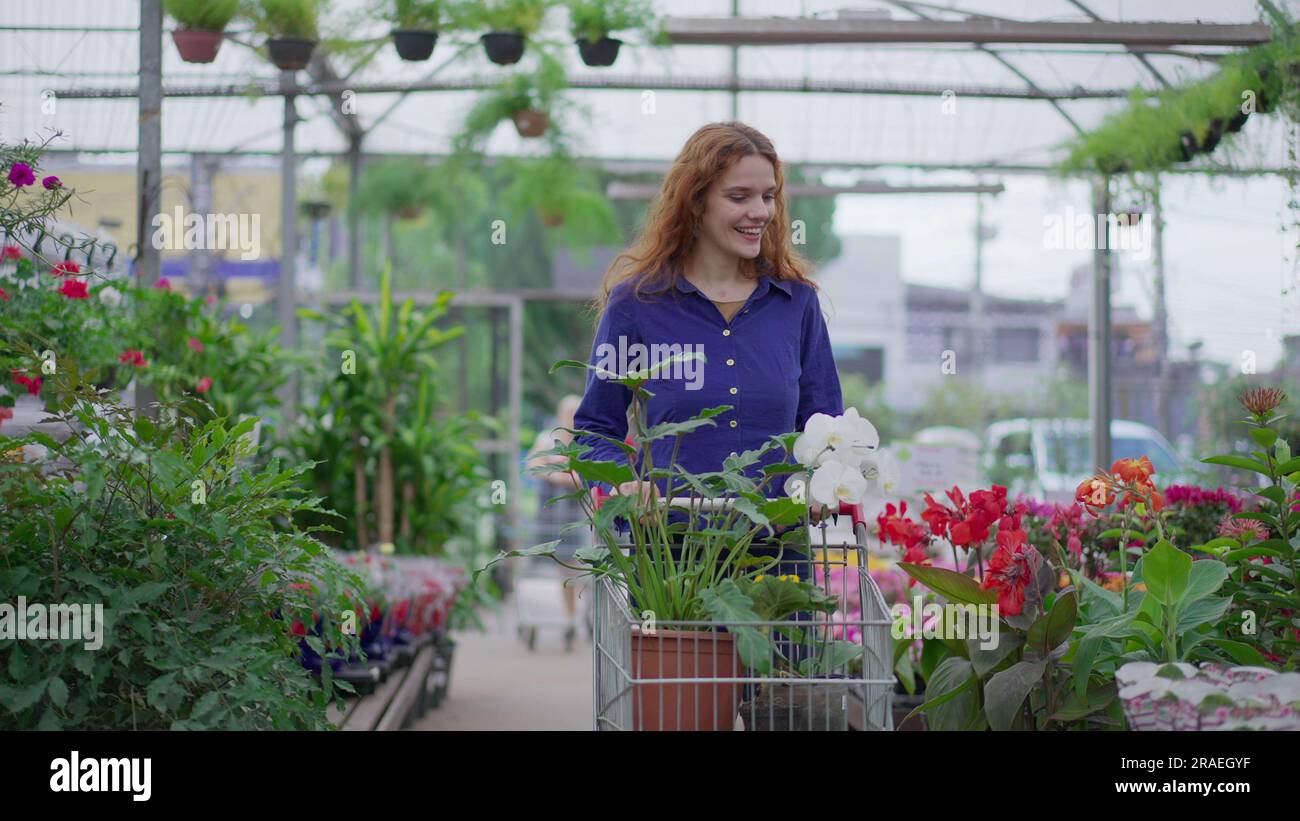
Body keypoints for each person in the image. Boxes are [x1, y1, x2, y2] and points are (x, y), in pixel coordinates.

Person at [573, 121, 843, 531]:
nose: (761, 212)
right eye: (740, 197)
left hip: (775, 556)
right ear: (695, 201)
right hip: (669, 559)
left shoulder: (796, 305)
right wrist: (624, 483)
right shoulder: (637, 305)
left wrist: (821, 481)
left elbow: (825, 427)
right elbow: (594, 431)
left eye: (768, 196)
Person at [525, 394, 589, 645]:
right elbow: (532, 465)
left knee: (574, 566)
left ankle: (576, 616)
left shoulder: (585, 442)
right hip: (552, 514)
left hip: (578, 513)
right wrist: (555, 476)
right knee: (562, 565)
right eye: (568, 413)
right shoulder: (546, 439)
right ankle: (569, 617)